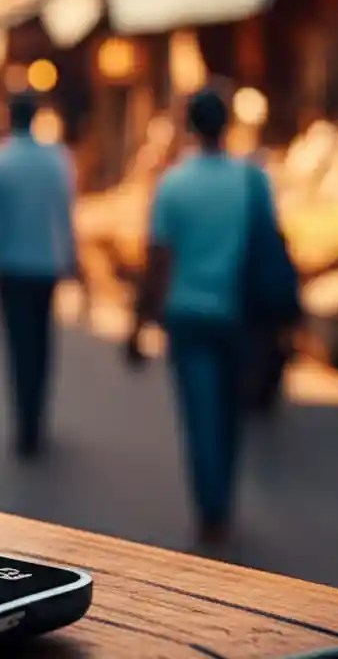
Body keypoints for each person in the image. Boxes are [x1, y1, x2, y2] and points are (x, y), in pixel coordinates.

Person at [128, 88, 294, 543]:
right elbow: (272, 243)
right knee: (231, 412)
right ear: (227, 125)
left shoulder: (174, 183)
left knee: (200, 413)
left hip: (187, 315)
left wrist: (138, 324)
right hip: (240, 314)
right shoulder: (252, 179)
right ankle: (223, 496)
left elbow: (158, 258)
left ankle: (211, 507)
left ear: (190, 126)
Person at [0, 93, 77, 458]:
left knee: (19, 345)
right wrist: (71, 258)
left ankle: (25, 420)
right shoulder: (57, 159)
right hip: (45, 263)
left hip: (12, 264)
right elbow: (66, 213)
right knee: (42, 343)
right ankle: (36, 416)